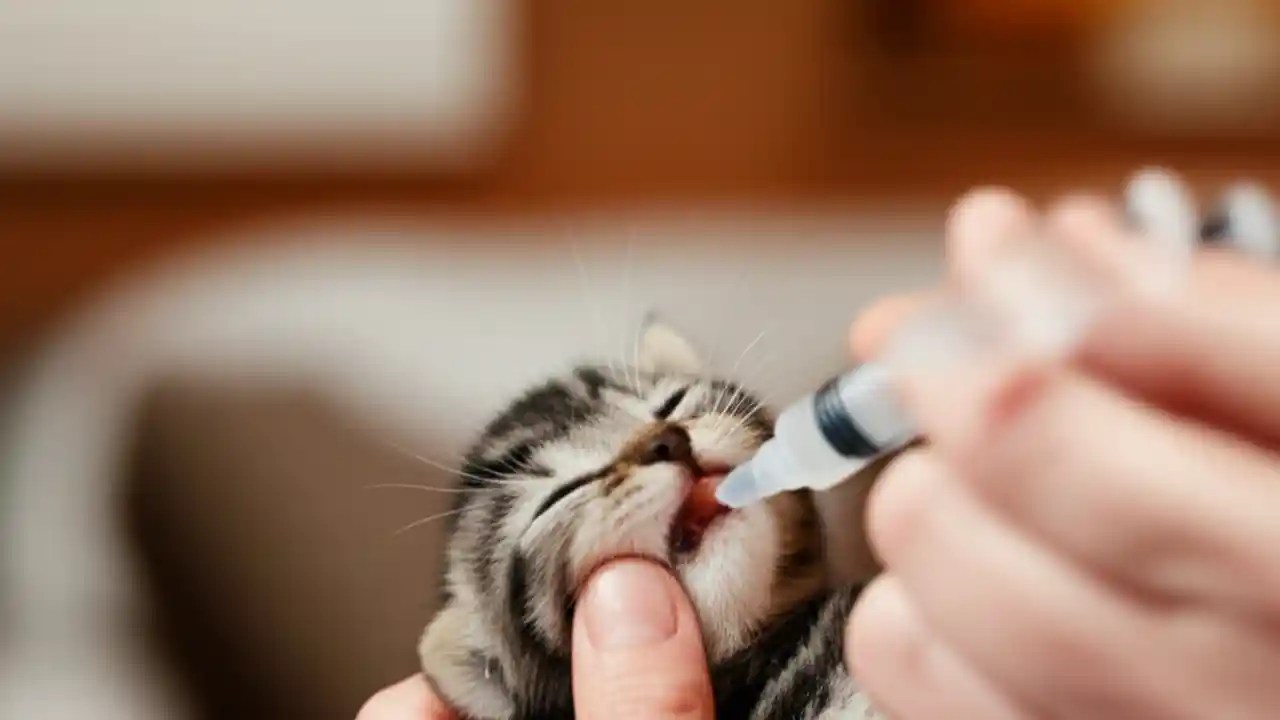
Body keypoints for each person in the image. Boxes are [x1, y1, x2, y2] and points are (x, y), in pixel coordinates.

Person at [360, 188, 1280, 719]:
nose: (664, 443)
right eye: (560, 497)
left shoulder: (904, 617)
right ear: (493, 676)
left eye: (675, 403)